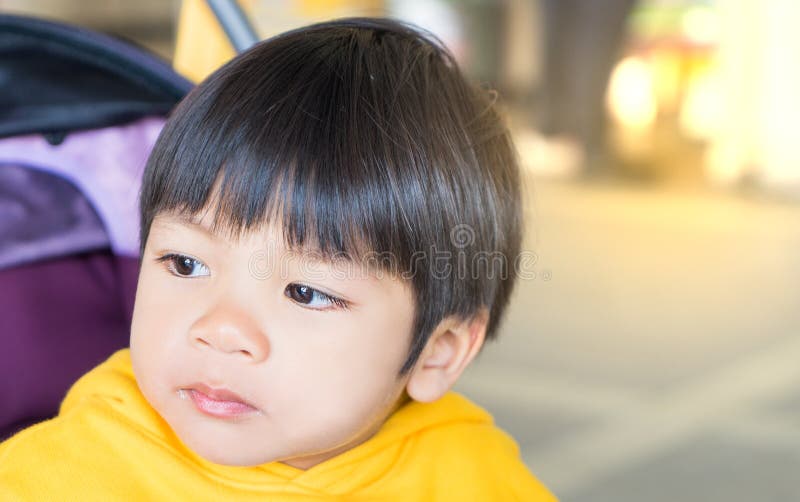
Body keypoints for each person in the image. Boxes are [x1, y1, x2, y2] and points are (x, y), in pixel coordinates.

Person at [0, 18, 556, 501]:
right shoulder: (54, 478)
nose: (219, 330)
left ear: (437, 353)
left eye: (306, 292)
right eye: (185, 264)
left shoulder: (472, 478)